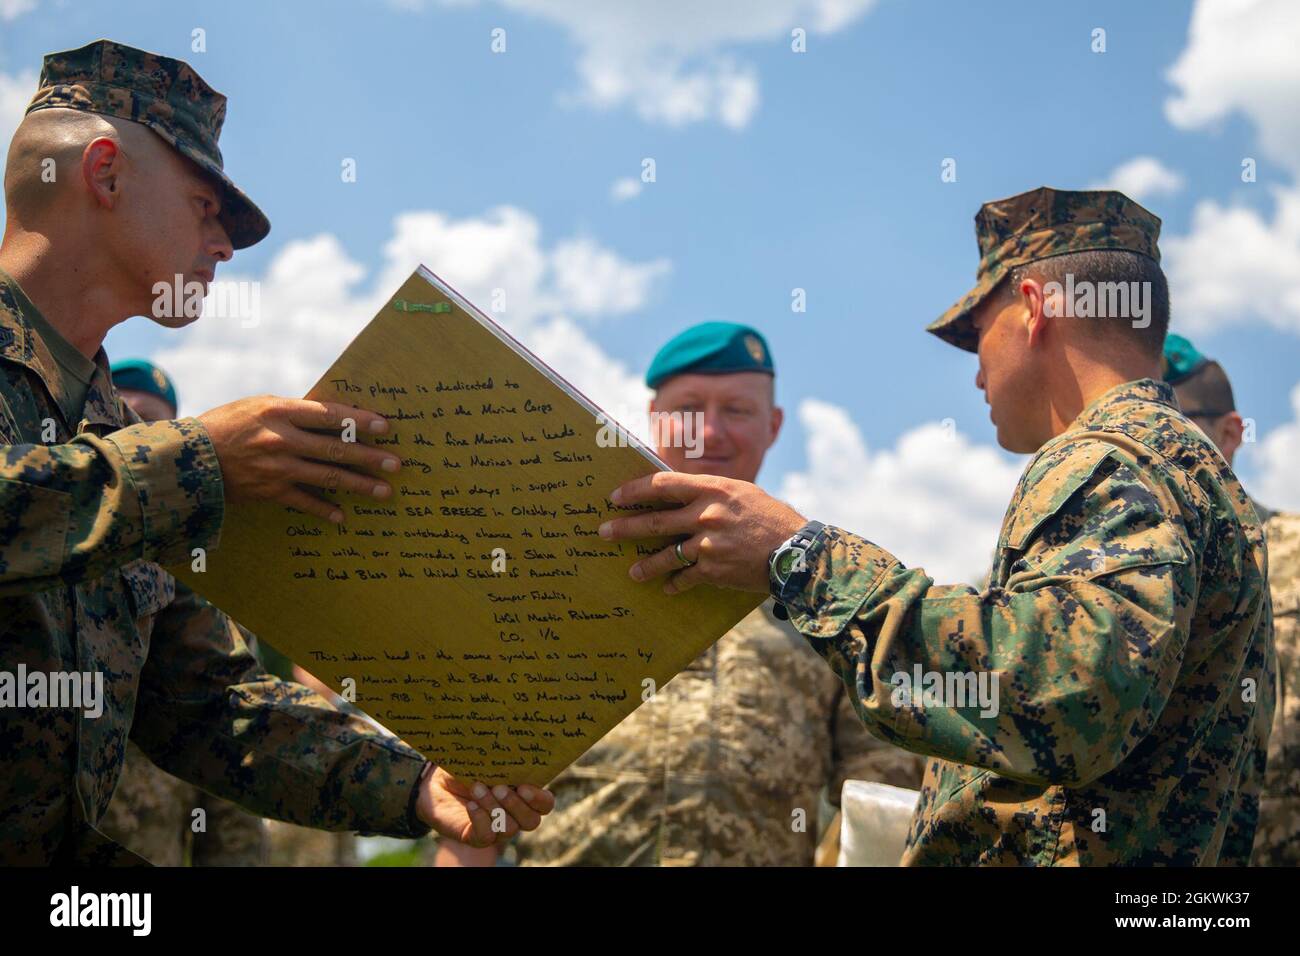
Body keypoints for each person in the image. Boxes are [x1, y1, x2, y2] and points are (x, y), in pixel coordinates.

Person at [598, 187, 1274, 865]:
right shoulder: (1187, 470)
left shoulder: (1106, 459)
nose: (977, 371)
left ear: (1034, 309)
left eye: (978, 333)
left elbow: (1060, 693)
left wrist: (799, 559)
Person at [0, 39, 551, 865]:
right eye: (204, 205)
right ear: (106, 174)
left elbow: (204, 704)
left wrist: (413, 785)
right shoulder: (165, 460)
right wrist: (197, 463)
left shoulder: (117, 433)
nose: (226, 245)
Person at [437, 323, 924, 867]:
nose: (711, 432)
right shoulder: (558, 576)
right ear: (655, 416)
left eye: (737, 410)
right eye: (690, 409)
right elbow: (476, 809)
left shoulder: (824, 597)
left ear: (774, 425)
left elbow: (881, 810)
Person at [95, 359, 268, 866]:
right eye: (130, 421)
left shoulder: (193, 582)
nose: (143, 438)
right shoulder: (47, 535)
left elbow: (231, 781)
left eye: (158, 429)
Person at [1162, 334, 1298, 865]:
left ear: (1232, 432)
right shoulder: (1110, 575)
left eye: (1178, 427)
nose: (1153, 441)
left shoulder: (1293, 553)